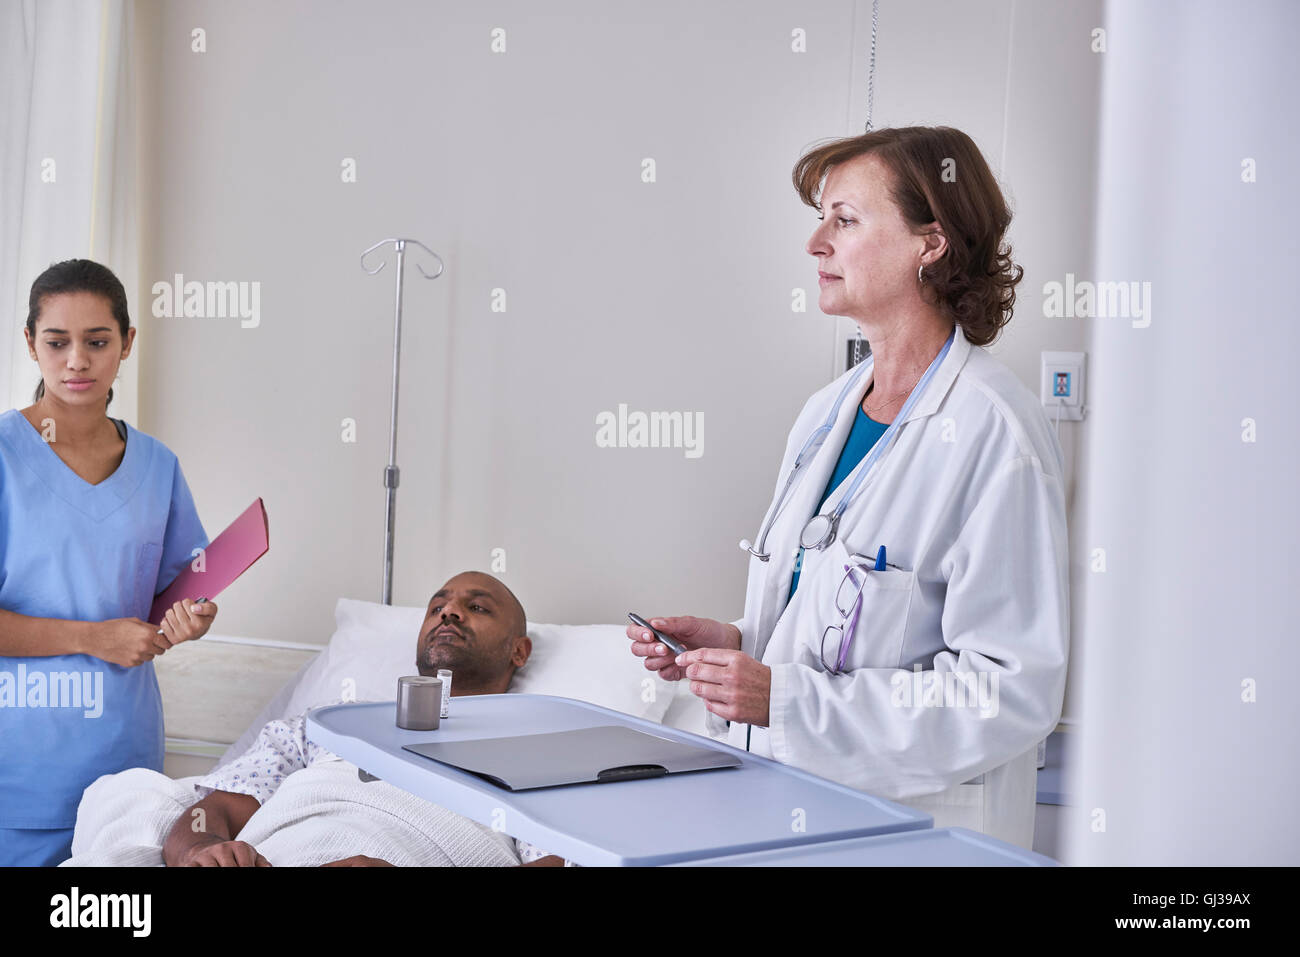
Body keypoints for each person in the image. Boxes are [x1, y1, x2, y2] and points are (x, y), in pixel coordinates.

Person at [626, 127, 1069, 848]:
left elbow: (1011, 693)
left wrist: (783, 699)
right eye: (821, 216)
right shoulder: (825, 413)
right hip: (790, 810)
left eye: (845, 218)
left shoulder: (994, 432)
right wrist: (740, 644)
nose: (815, 243)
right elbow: (839, 620)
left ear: (931, 242)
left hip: (920, 832)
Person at [0, 259, 217, 866]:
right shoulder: (3, 458)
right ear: (29, 344)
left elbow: (177, 592)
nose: (77, 361)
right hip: (18, 776)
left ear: (126, 343)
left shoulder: (157, 466)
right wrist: (95, 638)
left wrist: (189, 618)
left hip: (127, 769)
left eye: (97, 342)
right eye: (57, 342)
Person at [156, 572, 566, 867]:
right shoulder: (328, 724)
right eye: (437, 607)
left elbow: (560, 860)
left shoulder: (536, 756)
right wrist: (202, 850)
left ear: (519, 651)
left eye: (476, 607)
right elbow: (215, 809)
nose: (449, 613)